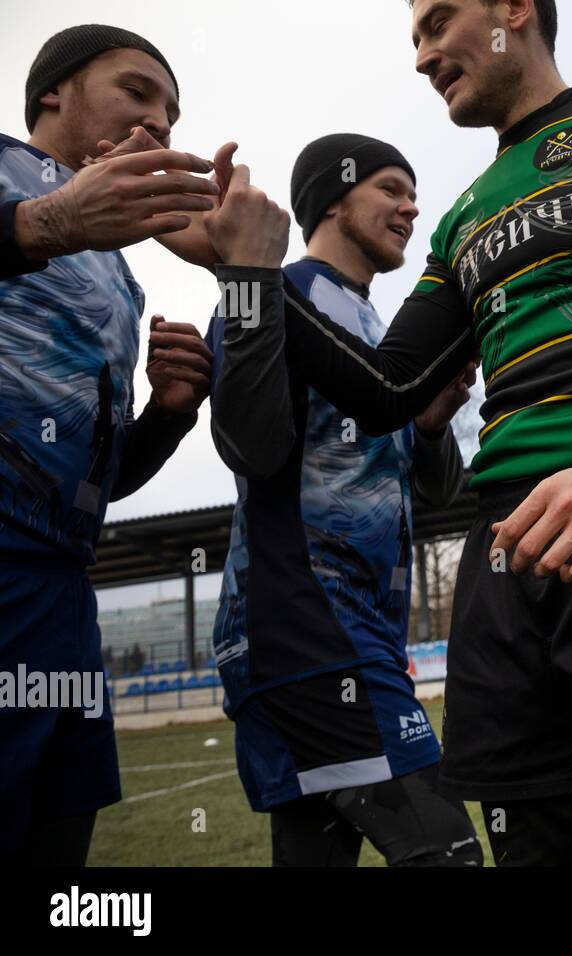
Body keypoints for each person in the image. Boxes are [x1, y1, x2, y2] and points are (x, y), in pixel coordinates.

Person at [206, 0, 572, 865]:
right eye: (415, 38)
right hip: (503, 562)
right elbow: (386, 389)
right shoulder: (464, 214)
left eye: (436, 23)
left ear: (513, 10)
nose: (424, 56)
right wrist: (243, 273)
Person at [204, 134, 482, 867]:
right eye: (390, 188)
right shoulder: (275, 289)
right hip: (306, 626)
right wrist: (242, 279)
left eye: (413, 192)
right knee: (445, 849)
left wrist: (426, 427)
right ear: (333, 198)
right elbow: (250, 448)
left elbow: (433, 491)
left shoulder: (376, 330)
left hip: (356, 631)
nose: (410, 206)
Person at [0, 24, 220, 865]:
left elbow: (102, 477)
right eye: (137, 92)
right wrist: (41, 223)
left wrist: (168, 413)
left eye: (173, 112)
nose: (160, 122)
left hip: (64, 595)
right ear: (51, 91)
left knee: (58, 845)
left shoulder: (125, 277)